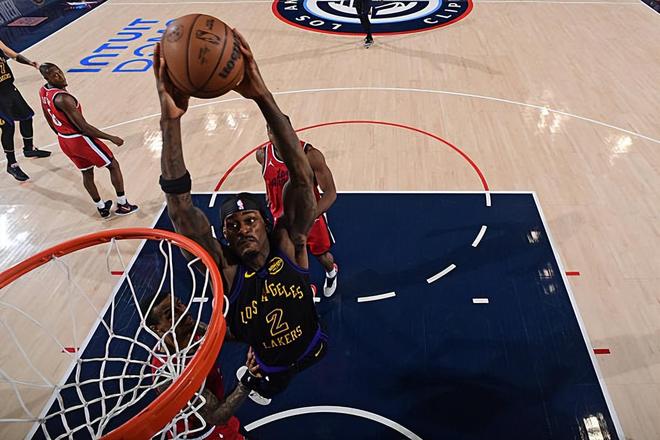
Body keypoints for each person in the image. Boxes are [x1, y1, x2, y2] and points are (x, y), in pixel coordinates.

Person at [154, 30, 327, 399]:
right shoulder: (226, 269)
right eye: (232, 226)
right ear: (224, 236)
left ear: (266, 223)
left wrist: (261, 94)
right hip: (270, 364)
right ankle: (262, 382)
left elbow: (301, 176)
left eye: (250, 220)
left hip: (314, 346)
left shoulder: (289, 242)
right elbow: (180, 207)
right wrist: (170, 122)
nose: (242, 229)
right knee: (271, 385)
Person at [143, 292, 261, 439]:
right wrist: (249, 378)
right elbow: (216, 416)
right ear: (156, 328)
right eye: (170, 314)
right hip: (200, 432)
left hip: (215, 412)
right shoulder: (168, 373)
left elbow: (224, 334)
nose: (183, 311)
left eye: (179, 304)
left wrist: (258, 330)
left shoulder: (188, 328)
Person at [38, 63, 138, 218]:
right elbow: (84, 127)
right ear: (46, 78)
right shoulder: (64, 99)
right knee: (113, 165)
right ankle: (123, 205)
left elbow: (47, 115)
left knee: (86, 172)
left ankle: (101, 208)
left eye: (59, 71)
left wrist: (60, 133)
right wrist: (111, 138)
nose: (59, 76)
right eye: (53, 75)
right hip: (79, 140)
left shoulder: (44, 91)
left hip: (64, 140)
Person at [256, 129, 339, 297]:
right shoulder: (262, 155)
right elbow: (269, 178)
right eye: (272, 131)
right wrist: (269, 193)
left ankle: (331, 272)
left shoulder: (310, 155)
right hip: (283, 221)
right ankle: (305, 288)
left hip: (311, 219)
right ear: (268, 134)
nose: (278, 134)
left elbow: (330, 193)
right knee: (291, 260)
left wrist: (309, 217)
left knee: (323, 257)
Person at [0, 40, 51, 181]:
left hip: (9, 88)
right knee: (8, 127)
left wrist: (30, 62)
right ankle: (12, 164)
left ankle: (29, 149)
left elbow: (13, 54)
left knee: (27, 117)